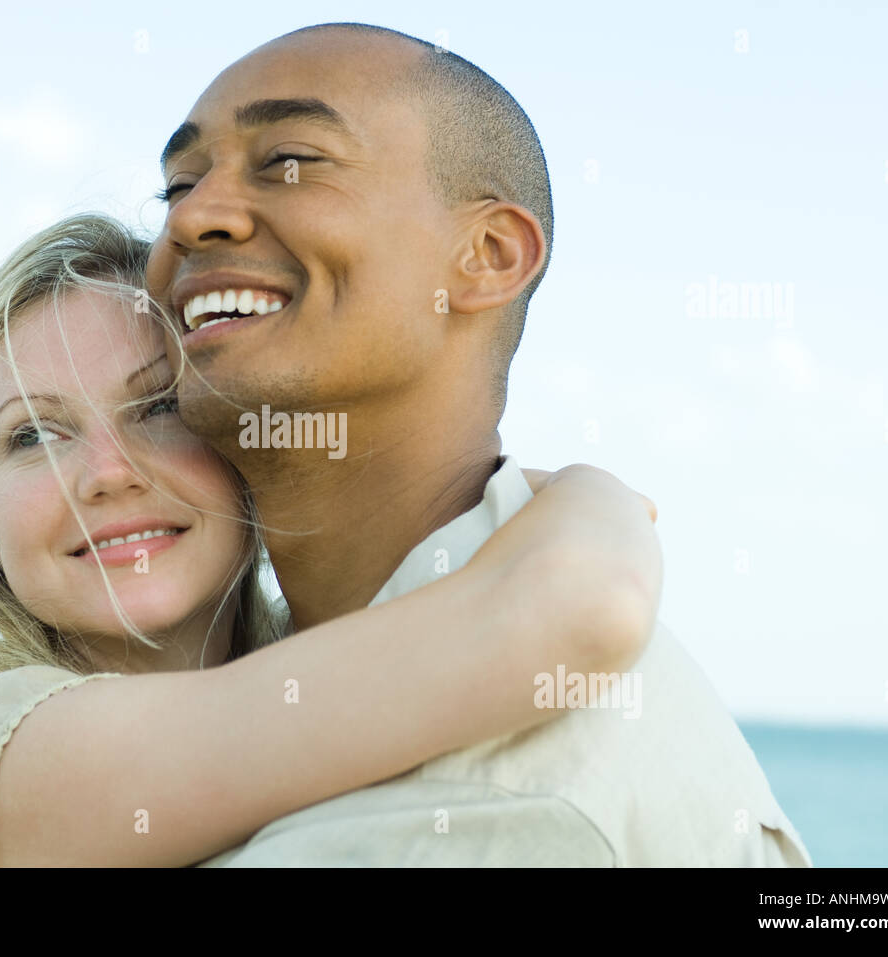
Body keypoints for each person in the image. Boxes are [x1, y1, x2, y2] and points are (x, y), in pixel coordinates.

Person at [143, 22, 814, 865]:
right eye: (177, 185)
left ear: (488, 256)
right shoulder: (262, 655)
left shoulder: (502, 805)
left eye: (291, 161)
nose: (192, 218)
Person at [0, 212, 663, 867]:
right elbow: (579, 608)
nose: (105, 473)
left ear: (250, 450)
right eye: (35, 435)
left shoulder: (340, 643)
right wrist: (593, 494)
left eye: (159, 407)